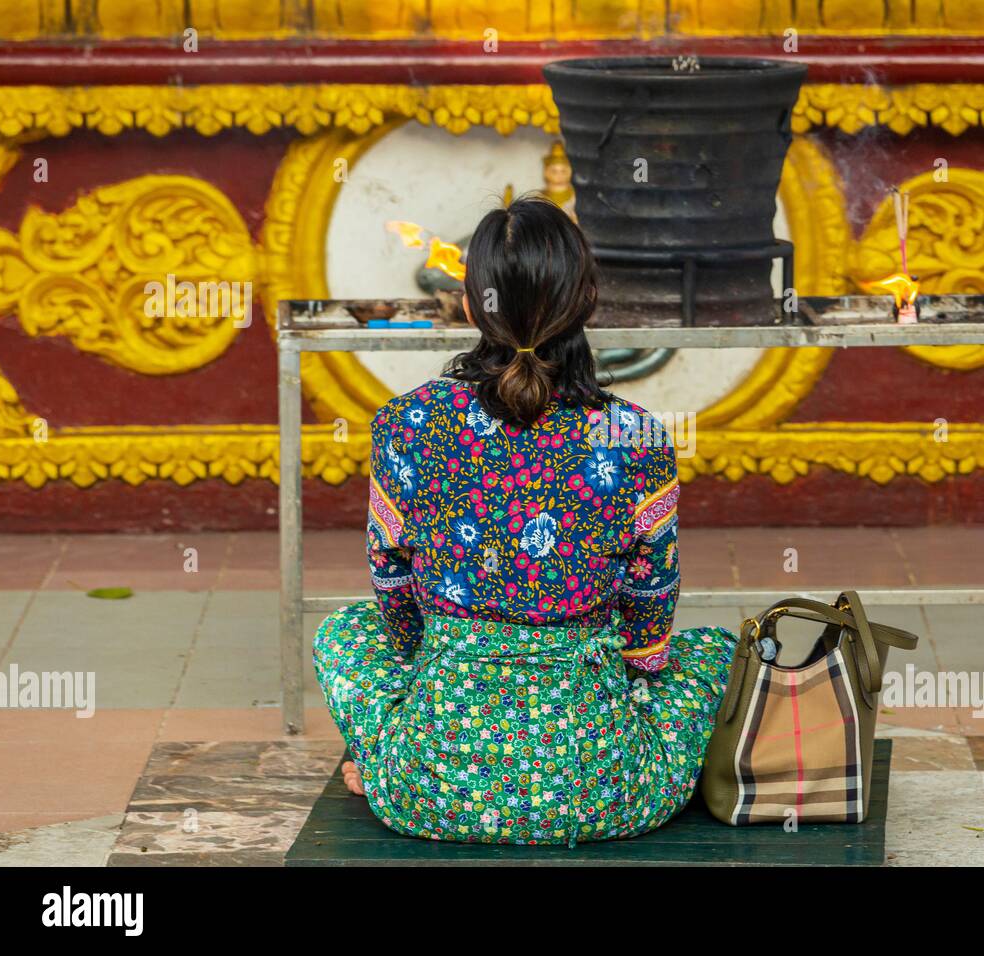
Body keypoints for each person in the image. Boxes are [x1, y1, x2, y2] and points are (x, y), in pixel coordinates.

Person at [313, 197, 735, 846]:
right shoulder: (635, 436)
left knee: (344, 635)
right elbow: (651, 608)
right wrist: (636, 683)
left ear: (471, 302)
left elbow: (391, 587)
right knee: (715, 654)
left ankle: (386, 760)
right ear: (588, 300)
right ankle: (619, 751)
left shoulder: (406, 424)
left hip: (433, 790)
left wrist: (420, 670)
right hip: (604, 791)